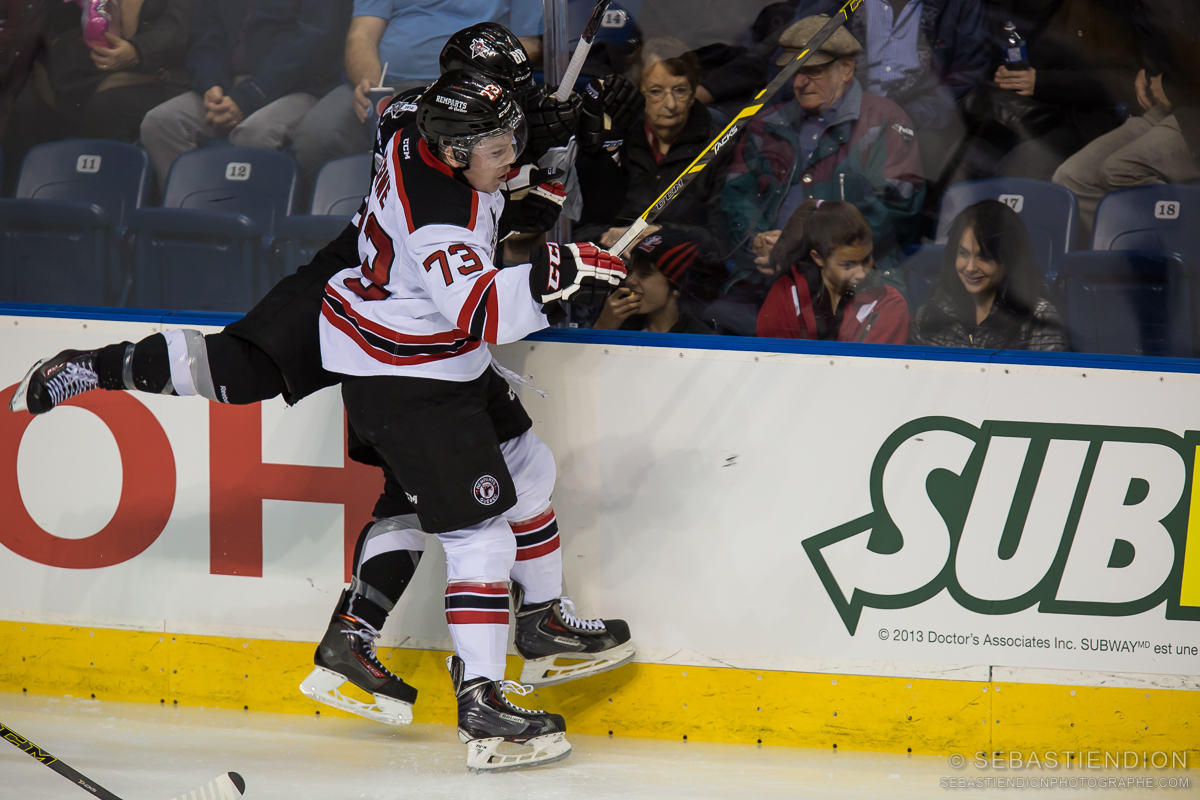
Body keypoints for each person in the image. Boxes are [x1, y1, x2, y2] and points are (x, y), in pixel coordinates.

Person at [7, 26, 618, 756]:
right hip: (378, 308)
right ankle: (95, 367)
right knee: (239, 374)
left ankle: (370, 636)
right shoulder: (436, 177)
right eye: (505, 110)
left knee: (434, 486)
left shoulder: (441, 129)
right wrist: (554, 221)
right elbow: (485, 276)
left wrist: (555, 154)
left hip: (394, 308)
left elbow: (505, 208)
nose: (513, 123)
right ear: (458, 119)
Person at [316, 70, 631, 773]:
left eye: (511, 138)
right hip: (407, 376)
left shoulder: (413, 134)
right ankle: (483, 704)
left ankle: (540, 618)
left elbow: (416, 111)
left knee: (529, 470)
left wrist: (538, 126)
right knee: (481, 538)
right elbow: (481, 312)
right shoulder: (441, 222)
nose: (512, 157)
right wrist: (566, 273)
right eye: (498, 147)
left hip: (436, 357)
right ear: (454, 155)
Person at [716, 15, 924, 334]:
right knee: (718, 325)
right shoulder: (766, 124)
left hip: (860, 281)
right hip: (766, 278)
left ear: (846, 68)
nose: (800, 82)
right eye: (794, 72)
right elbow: (736, 196)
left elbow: (898, 208)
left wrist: (806, 246)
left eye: (812, 71)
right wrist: (756, 238)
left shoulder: (883, 121)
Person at [291, 0, 543, 189]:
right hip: (386, 83)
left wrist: (481, 72)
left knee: (440, 143)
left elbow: (530, 44)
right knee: (318, 133)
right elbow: (361, 34)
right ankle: (342, 226)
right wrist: (369, 84)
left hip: (470, 86)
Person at [574, 38, 729, 307]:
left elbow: (724, 241)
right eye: (656, 92)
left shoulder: (721, 145)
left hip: (689, 287)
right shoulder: (612, 142)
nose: (670, 104)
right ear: (638, 94)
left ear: (694, 92)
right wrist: (607, 234)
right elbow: (576, 229)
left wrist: (659, 235)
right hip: (613, 276)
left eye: (680, 90)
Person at [138, 0, 350, 191]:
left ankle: (251, 230)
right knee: (161, 123)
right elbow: (206, 35)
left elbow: (314, 44)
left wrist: (250, 96)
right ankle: (190, 220)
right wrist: (211, 83)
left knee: (255, 134)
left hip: (299, 87)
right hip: (230, 85)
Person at [1, 0, 190, 193]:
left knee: (104, 108)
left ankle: (106, 208)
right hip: (87, 68)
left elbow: (177, 29)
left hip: (154, 73)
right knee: (27, 109)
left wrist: (136, 50)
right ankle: (22, 211)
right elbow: (59, 23)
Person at [1051, 0, 1200, 238]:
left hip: (1193, 113)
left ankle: (1182, 251)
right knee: (1072, 177)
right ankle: (1117, 259)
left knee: (1120, 171)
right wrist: (1149, 71)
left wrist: (1173, 88)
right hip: (1167, 108)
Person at [960, 0, 1140, 182]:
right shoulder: (1012, 6)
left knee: (1021, 167)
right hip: (1020, 108)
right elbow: (990, 55)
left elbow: (1122, 79)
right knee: (965, 153)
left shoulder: (1106, 7)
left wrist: (1042, 83)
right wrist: (1003, 74)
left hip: (1080, 118)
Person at [908, 199, 1066, 350]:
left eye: (984, 257)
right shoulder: (929, 315)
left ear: (1009, 260)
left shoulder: (1038, 318)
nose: (970, 267)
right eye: (963, 254)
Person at [756, 199, 910, 342]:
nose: (861, 274)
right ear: (818, 258)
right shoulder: (785, 295)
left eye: (866, 259)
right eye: (848, 265)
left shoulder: (889, 303)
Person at [593, 248, 717, 335]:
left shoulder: (700, 339)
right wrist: (601, 327)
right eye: (630, 271)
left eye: (644, 274)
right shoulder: (619, 323)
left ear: (677, 286)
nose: (630, 281)